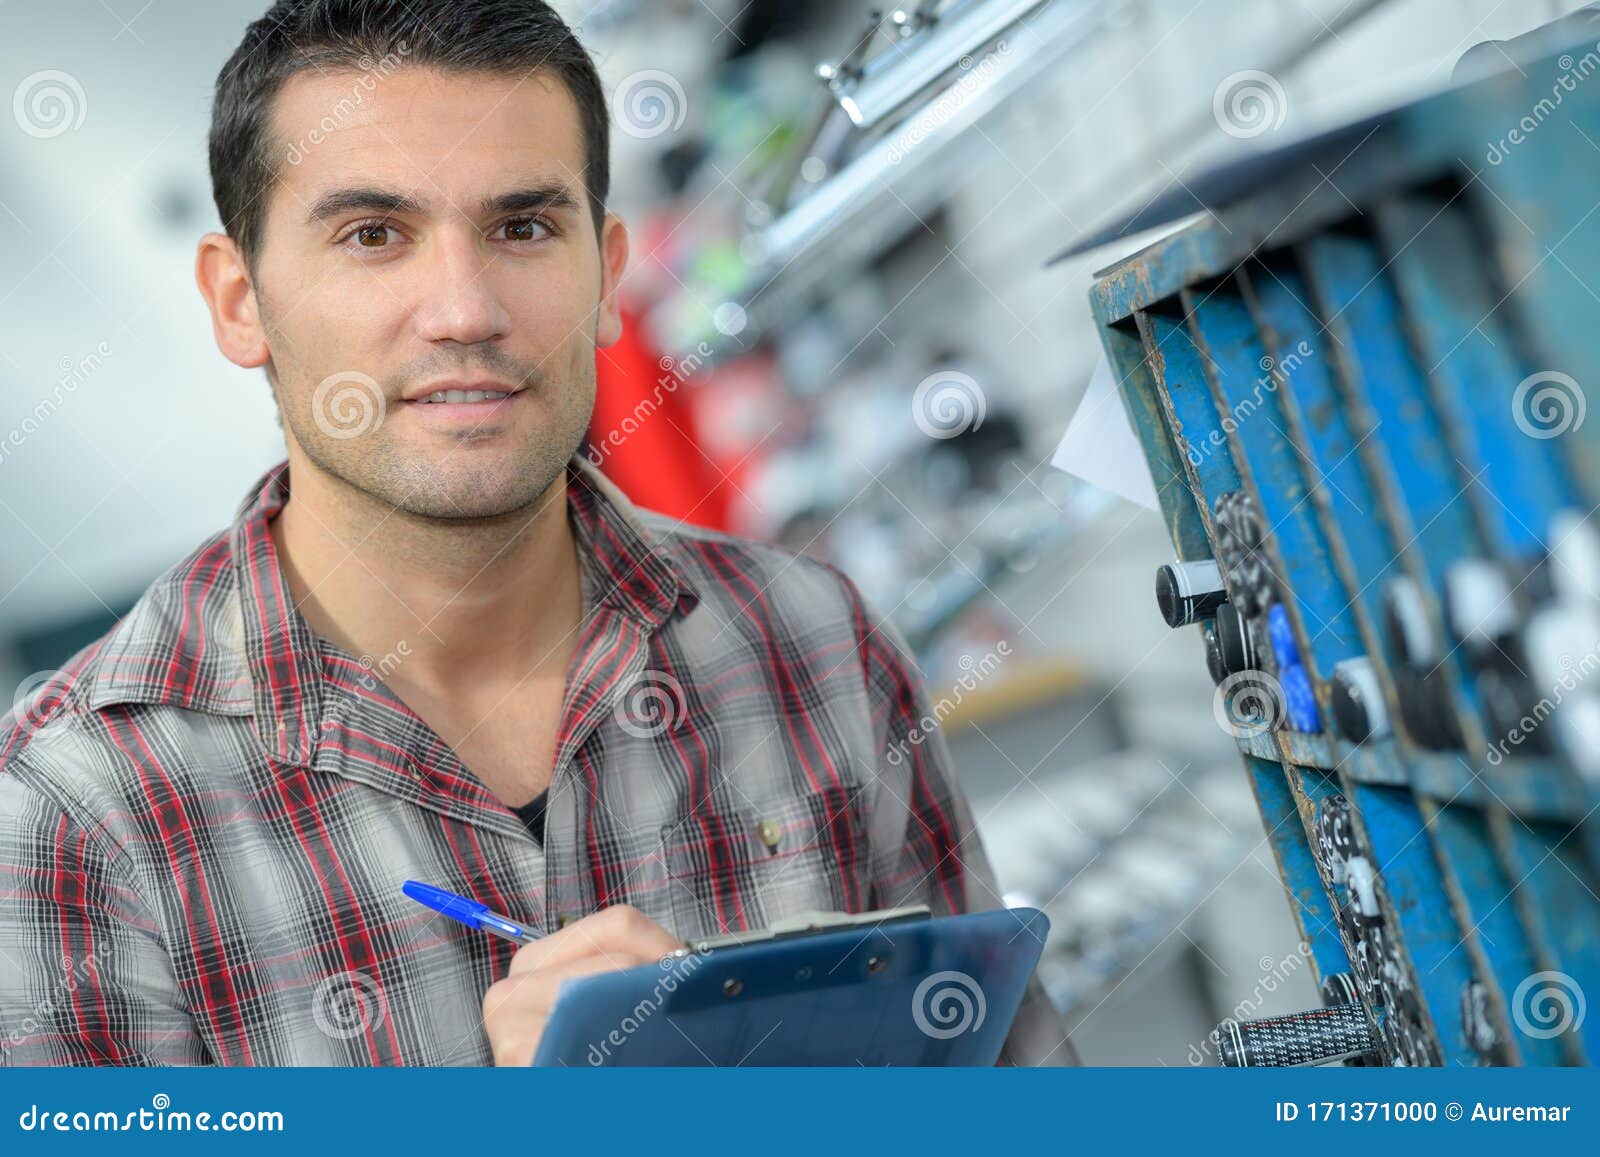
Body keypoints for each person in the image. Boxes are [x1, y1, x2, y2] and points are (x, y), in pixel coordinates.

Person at [0, 0, 1073, 1068]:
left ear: (605, 274)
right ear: (240, 301)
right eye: (374, 235)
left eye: (523, 228)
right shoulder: (74, 818)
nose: (464, 308)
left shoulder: (815, 645)